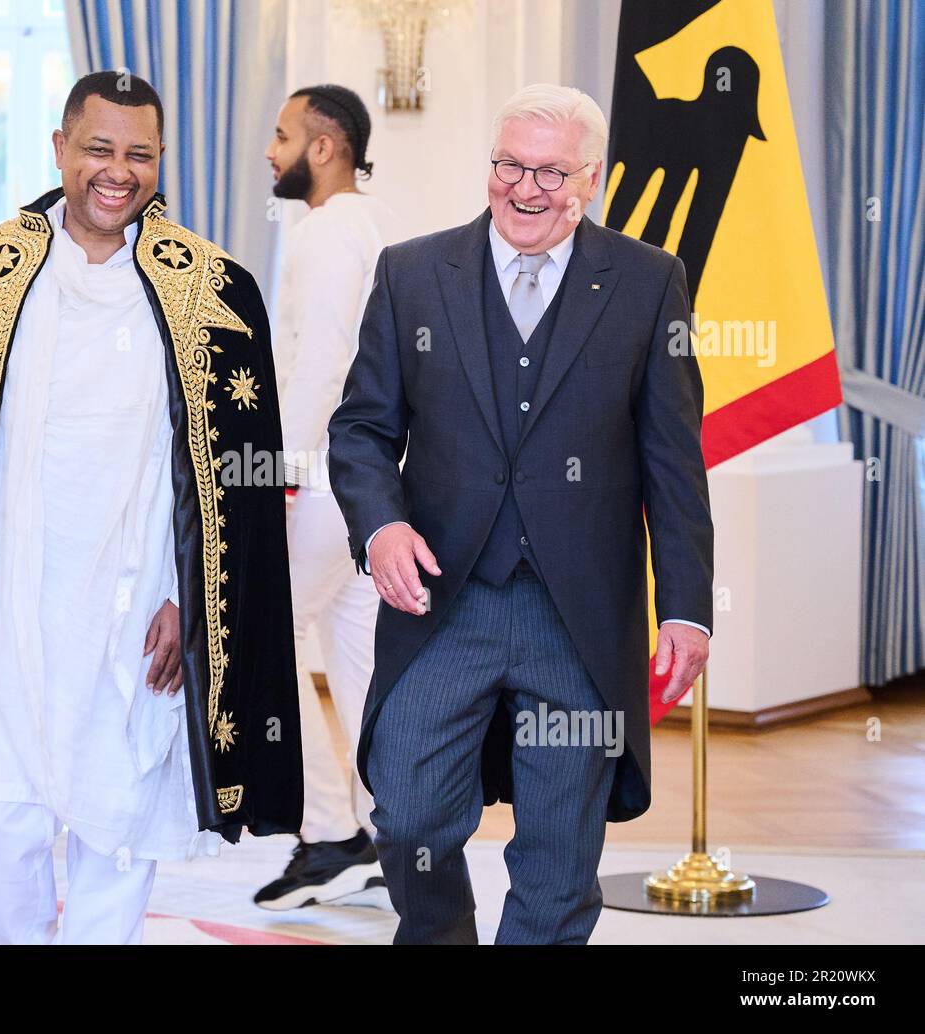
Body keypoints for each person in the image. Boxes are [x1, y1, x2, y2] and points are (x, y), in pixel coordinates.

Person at [0, 72, 302, 944]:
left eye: (139, 154)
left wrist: (193, 602)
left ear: (161, 159)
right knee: (5, 823)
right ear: (59, 150)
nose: (117, 172)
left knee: (120, 825)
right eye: (99, 149)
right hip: (3, 600)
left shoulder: (215, 294)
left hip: (139, 605)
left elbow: (239, 483)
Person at [327, 83, 713, 944]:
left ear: (593, 179)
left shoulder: (650, 284)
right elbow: (359, 430)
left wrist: (685, 606)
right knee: (412, 816)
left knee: (559, 854)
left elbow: (672, 459)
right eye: (510, 165)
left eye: (550, 171)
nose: (526, 188)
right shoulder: (413, 273)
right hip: (441, 602)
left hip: (577, 614)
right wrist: (382, 526)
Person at [254, 85, 397, 911]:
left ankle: (331, 831)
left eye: (281, 136)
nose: (270, 153)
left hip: (326, 478)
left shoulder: (327, 232)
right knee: (356, 660)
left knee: (263, 634)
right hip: (363, 481)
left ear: (325, 144)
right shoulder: (366, 226)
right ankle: (392, 833)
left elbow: (323, 366)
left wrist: (283, 470)